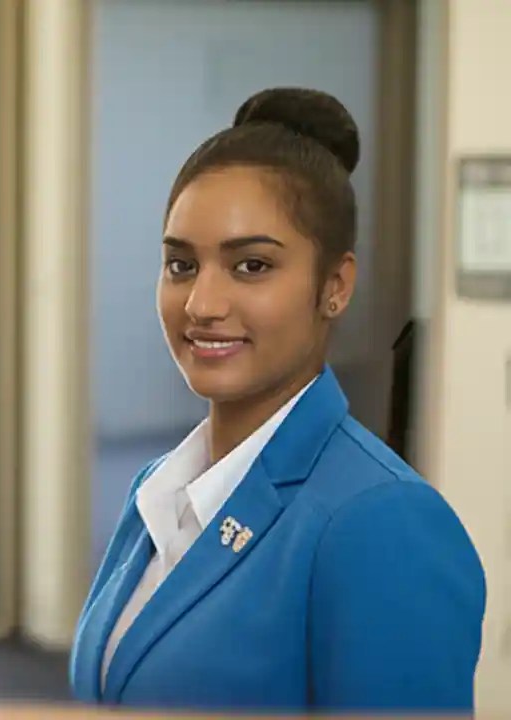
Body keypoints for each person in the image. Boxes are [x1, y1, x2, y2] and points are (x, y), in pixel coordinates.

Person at [69, 87, 485, 713]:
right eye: (181, 265)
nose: (202, 305)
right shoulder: (157, 491)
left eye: (251, 266)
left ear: (335, 286)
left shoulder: (380, 523)